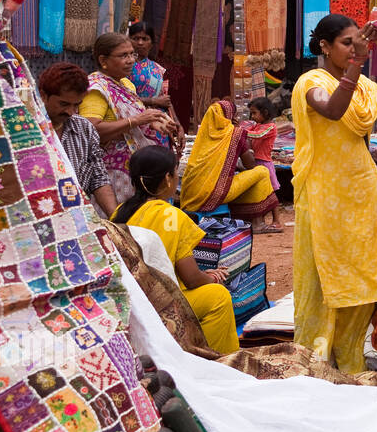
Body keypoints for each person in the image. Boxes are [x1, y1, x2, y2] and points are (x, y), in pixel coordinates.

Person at [293, 14, 377, 371]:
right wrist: (357, 63)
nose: (353, 49)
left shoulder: (363, 85)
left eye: (358, 42)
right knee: (324, 281)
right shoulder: (311, 83)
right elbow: (333, 109)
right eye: (346, 43)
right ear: (324, 46)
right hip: (324, 200)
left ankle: (349, 359)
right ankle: (315, 363)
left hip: (361, 195)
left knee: (362, 277)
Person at [113, 145, 239, 354]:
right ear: (168, 178)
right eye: (175, 173)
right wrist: (211, 278)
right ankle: (211, 357)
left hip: (130, 300)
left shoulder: (120, 212)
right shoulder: (173, 217)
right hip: (160, 303)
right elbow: (191, 279)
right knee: (218, 296)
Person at [81, 32, 176, 203]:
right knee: (117, 214)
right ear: (103, 60)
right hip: (110, 171)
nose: (131, 60)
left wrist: (153, 124)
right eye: (123, 55)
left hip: (132, 167)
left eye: (132, 54)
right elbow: (90, 129)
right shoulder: (96, 88)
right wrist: (137, 121)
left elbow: (132, 118)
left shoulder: (126, 84)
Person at [180, 99, 282, 233]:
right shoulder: (234, 134)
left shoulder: (204, 135)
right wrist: (240, 135)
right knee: (262, 171)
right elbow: (250, 165)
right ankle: (258, 223)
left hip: (191, 195)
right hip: (214, 193)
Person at [39, 62, 117, 217]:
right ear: (43, 95)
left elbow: (98, 177)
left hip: (78, 217)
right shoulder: (29, 130)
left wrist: (115, 217)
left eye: (76, 105)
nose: (70, 112)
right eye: (64, 104)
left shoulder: (84, 128)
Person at [244, 96, 285, 231]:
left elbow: (256, 135)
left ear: (265, 113)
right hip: (255, 162)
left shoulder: (270, 127)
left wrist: (240, 132)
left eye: (254, 113)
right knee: (261, 191)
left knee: (271, 192)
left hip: (265, 163)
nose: (252, 116)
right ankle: (261, 219)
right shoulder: (257, 125)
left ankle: (276, 220)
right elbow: (250, 130)